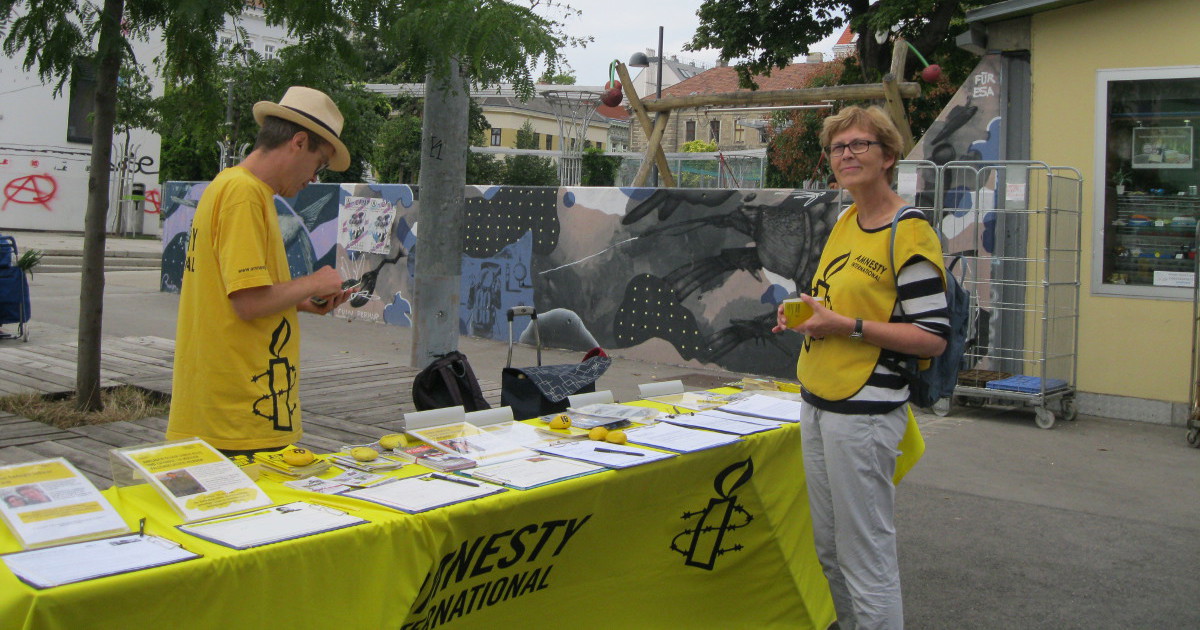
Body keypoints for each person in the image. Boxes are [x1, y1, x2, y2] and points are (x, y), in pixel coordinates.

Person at [772, 105, 949, 630]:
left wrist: (844, 326)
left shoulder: (908, 231)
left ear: (889, 156)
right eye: (837, 148)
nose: (845, 155)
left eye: (858, 145)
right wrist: (804, 314)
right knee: (828, 550)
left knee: (865, 560)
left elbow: (931, 337)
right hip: (819, 401)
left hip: (866, 413)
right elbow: (835, 301)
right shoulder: (847, 218)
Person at [167, 86, 355, 459]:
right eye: (318, 164)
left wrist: (301, 302)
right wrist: (316, 281)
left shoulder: (233, 187)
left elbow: (233, 294)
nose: (314, 179)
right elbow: (248, 303)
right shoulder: (244, 195)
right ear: (298, 142)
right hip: (238, 417)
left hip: (233, 411)